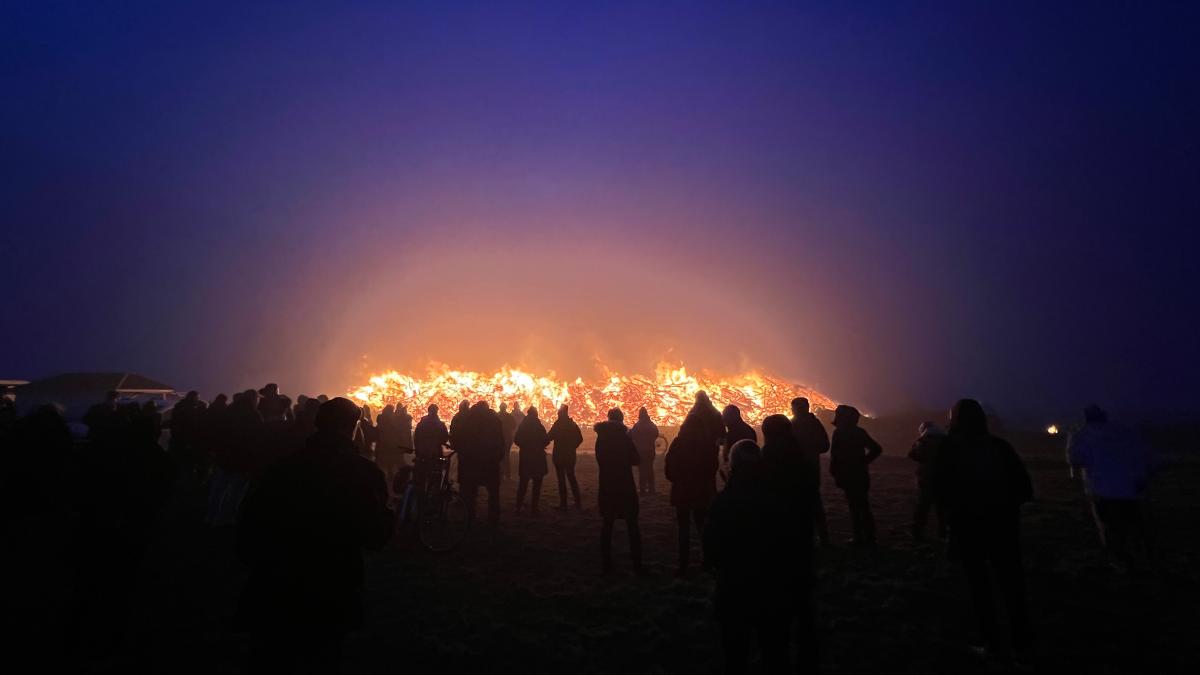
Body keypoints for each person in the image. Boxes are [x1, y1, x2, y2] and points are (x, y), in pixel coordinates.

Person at [236, 397, 394, 673]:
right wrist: (391, 511)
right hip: (331, 590)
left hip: (276, 588)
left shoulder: (281, 468)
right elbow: (375, 536)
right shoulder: (363, 473)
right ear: (352, 428)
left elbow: (248, 524)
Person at [935, 398, 1033, 657]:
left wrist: (953, 515)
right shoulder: (1000, 447)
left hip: (968, 528)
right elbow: (1025, 489)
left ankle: (993, 644)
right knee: (1012, 585)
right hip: (1003, 527)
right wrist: (1003, 507)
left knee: (979, 586)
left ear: (954, 420)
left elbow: (940, 489)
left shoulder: (950, 448)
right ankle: (1022, 645)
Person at [704, 439, 793, 674]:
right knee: (774, 648)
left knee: (735, 649)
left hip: (734, 585)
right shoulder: (777, 498)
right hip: (772, 585)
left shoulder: (725, 502)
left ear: (732, 465)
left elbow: (712, 546)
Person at [760, 414, 819, 670]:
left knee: (777, 594)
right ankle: (807, 644)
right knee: (801, 593)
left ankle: (777, 649)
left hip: (778, 535)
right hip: (800, 534)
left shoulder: (770, 456)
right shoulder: (799, 457)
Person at [1066, 404, 1155, 571]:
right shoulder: (1126, 432)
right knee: (1135, 526)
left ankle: (1120, 562)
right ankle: (1145, 560)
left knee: (1111, 527)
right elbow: (1148, 456)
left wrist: (1071, 441)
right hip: (1133, 489)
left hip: (1104, 490)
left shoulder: (1083, 435)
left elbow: (1075, 460)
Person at [665, 412, 719, 576]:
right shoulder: (708, 444)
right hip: (701, 491)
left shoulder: (678, 443)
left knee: (683, 529)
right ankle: (707, 562)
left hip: (683, 492)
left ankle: (683, 564)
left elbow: (669, 468)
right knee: (703, 527)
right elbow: (713, 467)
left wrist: (677, 480)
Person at [594, 408, 643, 574]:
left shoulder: (600, 438)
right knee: (632, 525)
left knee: (607, 524)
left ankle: (606, 564)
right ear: (621, 420)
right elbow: (636, 459)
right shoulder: (624, 438)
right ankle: (637, 564)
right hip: (624, 485)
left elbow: (600, 459)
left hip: (607, 485)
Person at [829, 404, 882, 546]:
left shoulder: (839, 433)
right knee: (862, 505)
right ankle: (869, 537)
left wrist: (834, 470)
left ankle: (860, 537)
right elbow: (876, 449)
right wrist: (864, 462)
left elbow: (835, 454)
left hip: (848, 474)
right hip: (860, 474)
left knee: (855, 506)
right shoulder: (859, 432)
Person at [790, 397, 831, 546]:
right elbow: (825, 446)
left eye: (794, 407)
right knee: (814, 503)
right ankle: (822, 537)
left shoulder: (794, 425)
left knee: (802, 503)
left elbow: (824, 446)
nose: (792, 410)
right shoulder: (814, 424)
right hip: (811, 469)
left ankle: (809, 538)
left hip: (800, 470)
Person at [458, 401, 505, 525]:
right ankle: (493, 518)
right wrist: (499, 457)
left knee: (470, 492)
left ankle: (469, 517)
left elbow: (461, 440)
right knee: (493, 492)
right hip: (490, 462)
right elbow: (500, 441)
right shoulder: (494, 421)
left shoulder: (469, 420)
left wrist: (463, 456)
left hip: (472, 462)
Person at [909, 421, 948, 540]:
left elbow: (912, 454)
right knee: (942, 507)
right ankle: (943, 533)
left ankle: (917, 532)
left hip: (926, 477)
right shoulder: (946, 440)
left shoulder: (923, 440)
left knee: (923, 506)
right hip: (944, 477)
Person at [514, 407, 550, 512]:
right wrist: (539, 446)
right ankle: (534, 507)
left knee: (523, 484)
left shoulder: (523, 426)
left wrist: (525, 446)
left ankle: (518, 506)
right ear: (536, 414)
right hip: (538, 458)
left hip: (526, 458)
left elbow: (516, 440)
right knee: (537, 484)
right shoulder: (539, 426)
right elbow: (546, 440)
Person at [548, 404, 584, 510]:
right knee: (571, 477)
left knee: (561, 479)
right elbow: (580, 438)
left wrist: (540, 442)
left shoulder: (558, 424)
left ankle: (563, 504)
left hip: (559, 455)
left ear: (561, 413)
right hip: (570, 456)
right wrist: (573, 447)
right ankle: (578, 502)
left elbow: (549, 436)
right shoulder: (572, 424)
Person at [720, 404, 757, 481]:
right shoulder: (749, 430)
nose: (724, 420)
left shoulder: (732, 434)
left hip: (738, 475)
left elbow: (728, 456)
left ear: (734, 417)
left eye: (725, 417)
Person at [630, 407, 659, 494]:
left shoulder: (637, 425)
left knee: (642, 470)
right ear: (647, 414)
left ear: (639, 414)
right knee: (650, 469)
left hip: (640, 452)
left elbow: (632, 435)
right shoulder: (652, 424)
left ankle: (642, 490)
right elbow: (656, 434)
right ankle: (652, 489)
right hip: (650, 451)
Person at [498, 402, 516, 481]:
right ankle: (506, 475)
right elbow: (514, 425)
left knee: (501, 457)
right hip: (506, 439)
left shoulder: (497, 416)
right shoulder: (509, 416)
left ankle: (502, 475)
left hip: (501, 439)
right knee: (506, 457)